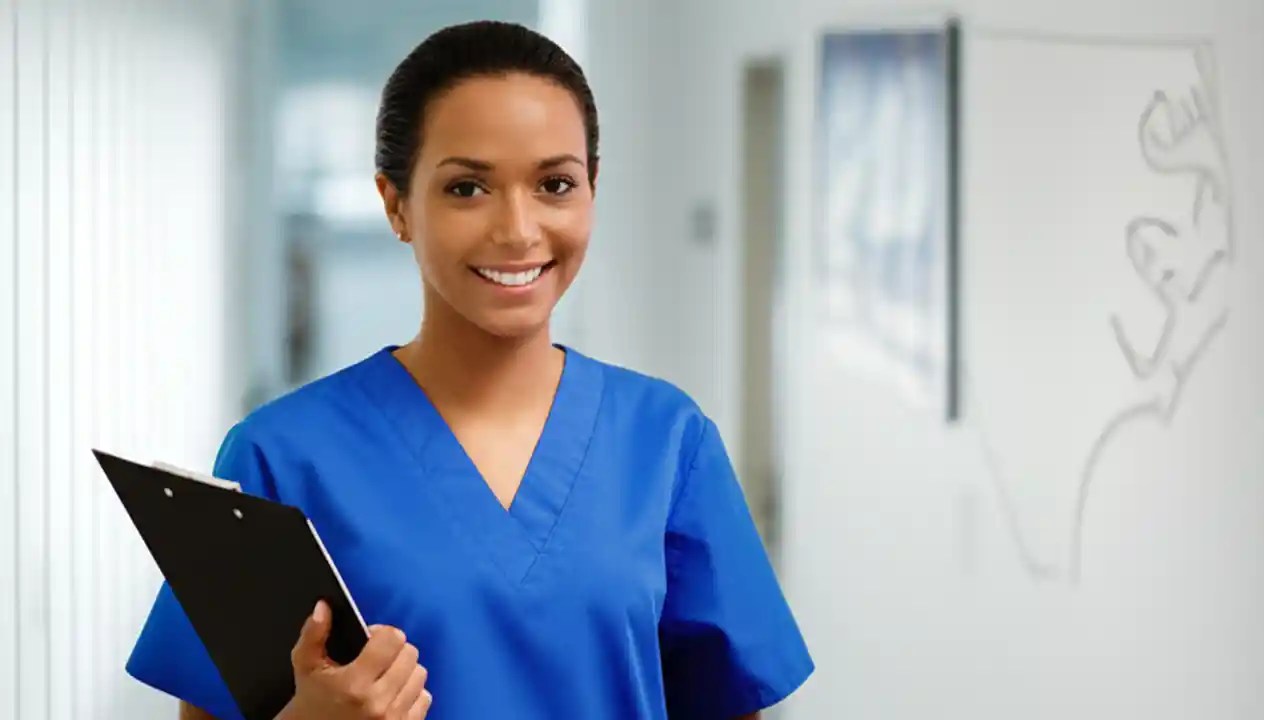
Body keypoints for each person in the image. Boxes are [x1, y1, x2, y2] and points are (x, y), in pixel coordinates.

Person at [125, 20, 813, 720]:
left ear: (592, 189)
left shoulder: (668, 442)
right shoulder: (280, 459)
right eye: (467, 189)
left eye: (554, 183)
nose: (518, 230)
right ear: (396, 203)